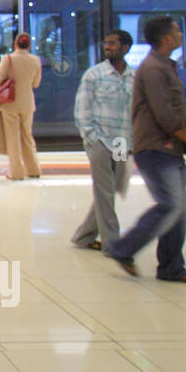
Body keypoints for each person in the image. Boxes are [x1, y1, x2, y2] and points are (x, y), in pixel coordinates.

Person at [105, 16, 186, 283]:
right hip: (156, 147)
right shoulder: (153, 69)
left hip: (169, 148)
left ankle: (171, 267)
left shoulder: (166, 66)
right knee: (171, 205)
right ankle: (123, 248)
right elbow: (166, 116)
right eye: (176, 31)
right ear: (166, 39)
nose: (181, 34)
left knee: (179, 212)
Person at [71, 30, 135, 251]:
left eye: (112, 43)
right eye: (106, 43)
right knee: (105, 190)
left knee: (109, 190)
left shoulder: (134, 77)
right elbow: (82, 109)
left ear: (126, 47)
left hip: (122, 143)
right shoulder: (94, 75)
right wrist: (92, 138)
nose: (107, 47)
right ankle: (113, 244)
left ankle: (83, 236)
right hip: (100, 141)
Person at [0, 32, 42, 179]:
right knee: (27, 136)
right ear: (29, 45)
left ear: (15, 44)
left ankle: (16, 172)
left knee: (13, 138)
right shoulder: (36, 60)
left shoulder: (8, 59)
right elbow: (36, 83)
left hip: (10, 104)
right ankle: (33, 169)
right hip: (28, 103)